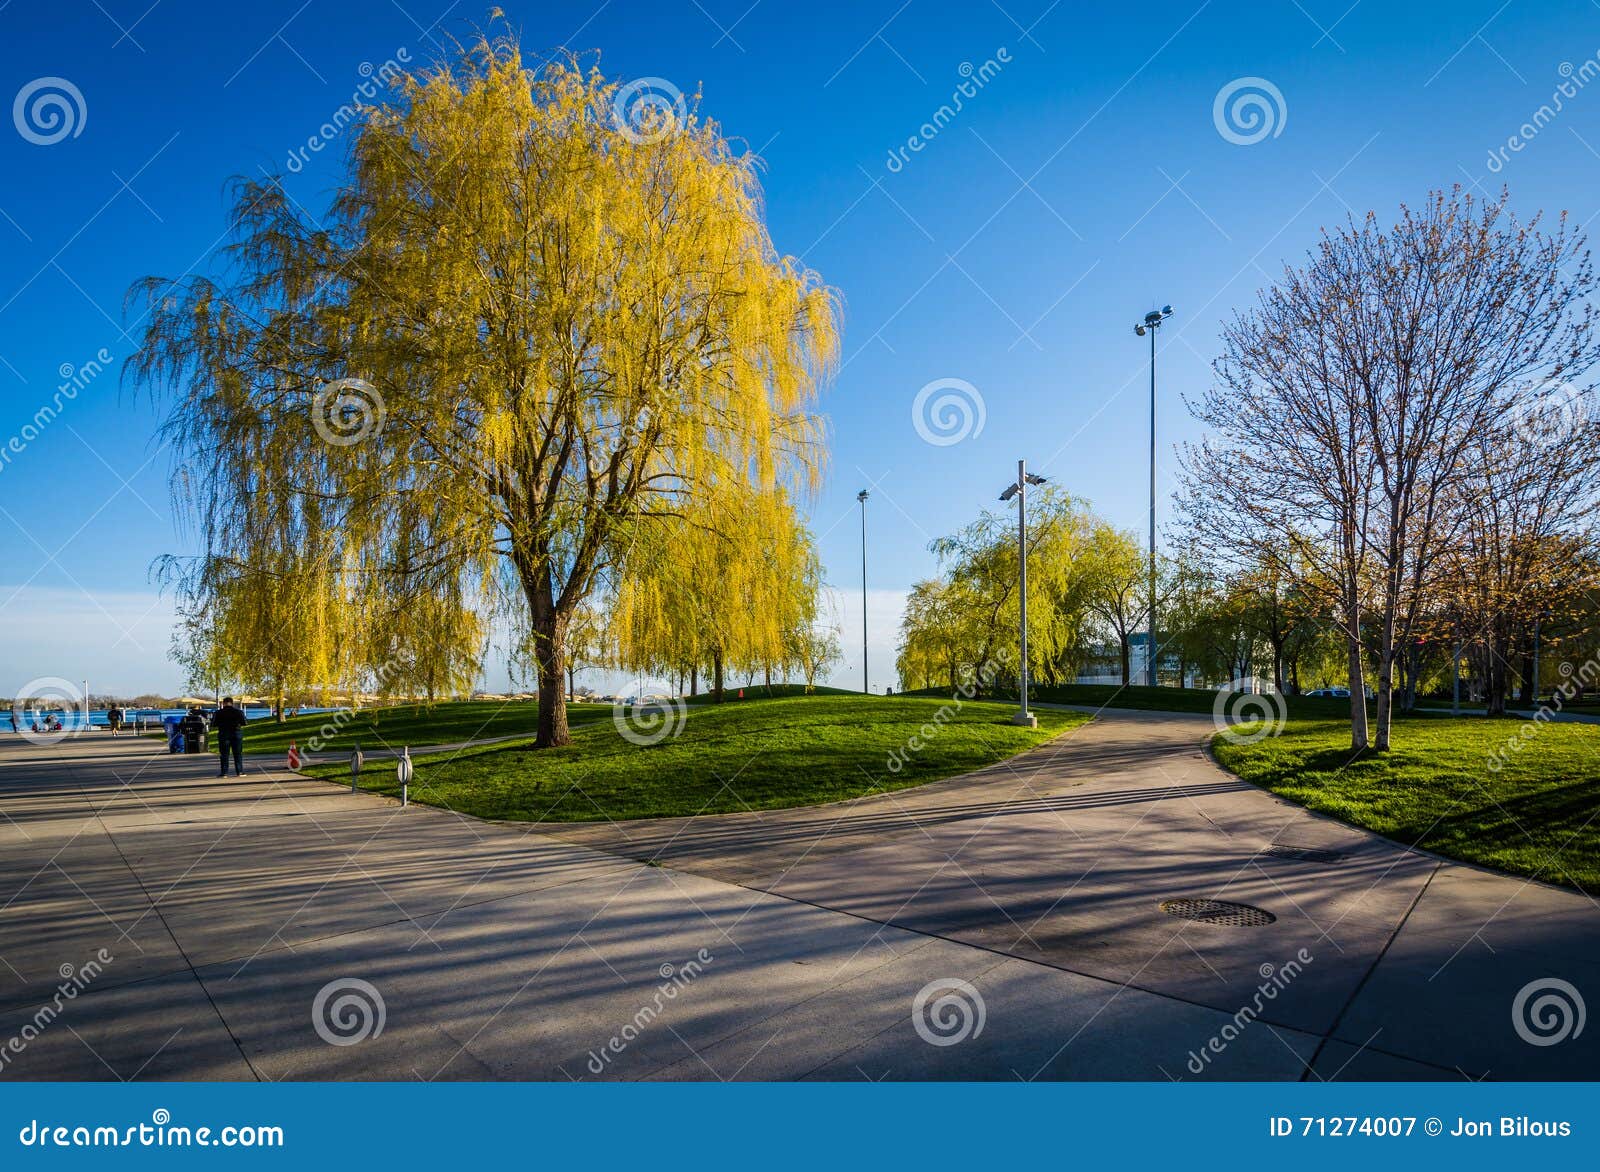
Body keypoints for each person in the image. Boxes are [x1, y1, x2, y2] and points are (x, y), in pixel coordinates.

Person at [211, 696, 247, 778]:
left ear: (223, 703)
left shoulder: (218, 712)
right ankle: (240, 772)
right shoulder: (239, 712)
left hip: (224, 734)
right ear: (232, 703)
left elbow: (213, 724)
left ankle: (224, 773)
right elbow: (245, 722)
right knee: (237, 753)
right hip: (236, 734)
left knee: (224, 754)